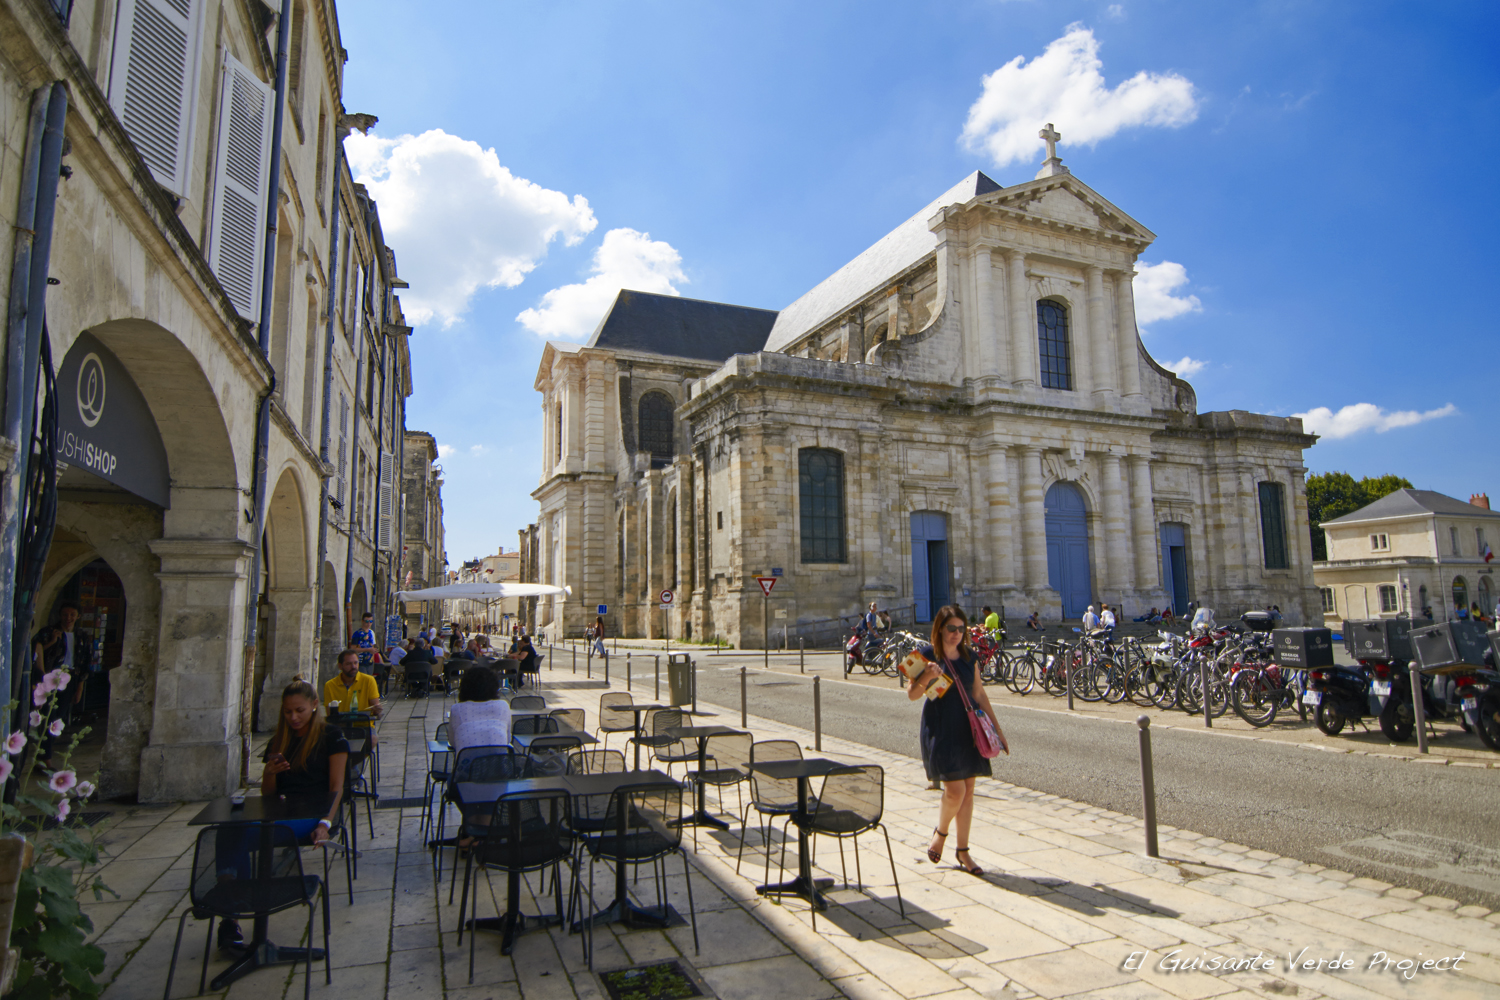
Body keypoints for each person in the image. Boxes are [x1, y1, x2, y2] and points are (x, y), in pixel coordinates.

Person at [218, 678, 348, 952]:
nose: (293, 717)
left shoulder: (332, 736)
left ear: (314, 706)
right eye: (288, 712)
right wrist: (269, 774)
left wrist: (325, 823)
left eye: (299, 710)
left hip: (313, 816)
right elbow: (267, 794)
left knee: (241, 835)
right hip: (280, 811)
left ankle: (235, 907)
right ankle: (232, 908)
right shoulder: (280, 739)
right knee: (229, 829)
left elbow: (337, 787)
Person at [908, 605, 1003, 877]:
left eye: (962, 629)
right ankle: (941, 832)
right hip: (940, 730)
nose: (957, 634)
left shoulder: (969, 656)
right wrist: (928, 674)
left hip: (968, 730)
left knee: (969, 790)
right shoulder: (922, 655)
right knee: (955, 791)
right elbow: (912, 695)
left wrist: (998, 730)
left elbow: (979, 694)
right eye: (952, 629)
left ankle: (963, 852)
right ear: (940, 629)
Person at [31, 603, 87, 764]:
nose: (68, 618)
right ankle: (45, 758)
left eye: (72, 614)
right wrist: (53, 641)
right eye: (65, 614)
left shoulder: (81, 636)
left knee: (58, 719)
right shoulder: (48, 633)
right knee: (49, 716)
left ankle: (44, 755)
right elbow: (35, 651)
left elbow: (84, 663)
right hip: (50, 678)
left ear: (78, 616)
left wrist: (80, 688)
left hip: (70, 679)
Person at [449, 666, 513, 752]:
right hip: (498, 763)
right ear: (494, 687)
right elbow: (507, 739)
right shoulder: (503, 706)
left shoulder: (457, 709)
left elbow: (453, 742)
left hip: (467, 763)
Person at [323, 649, 383, 718]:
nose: (353, 667)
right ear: (340, 666)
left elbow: (375, 708)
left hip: (363, 725)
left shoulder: (368, 680)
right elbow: (329, 715)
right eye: (348, 664)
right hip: (340, 726)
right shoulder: (330, 685)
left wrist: (377, 710)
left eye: (355, 663)